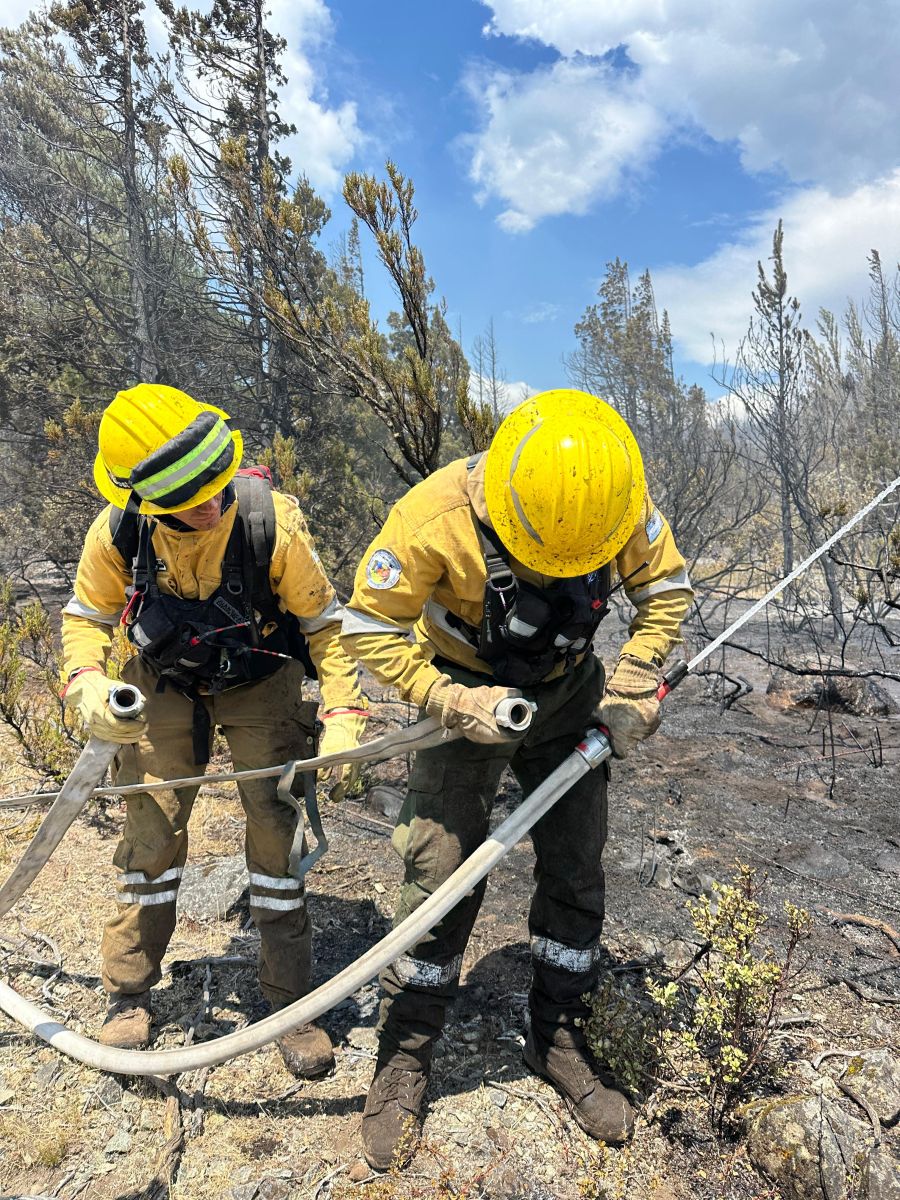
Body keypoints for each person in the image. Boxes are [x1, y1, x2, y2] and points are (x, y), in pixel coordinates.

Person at [340, 389, 693, 1168]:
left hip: (569, 692)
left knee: (575, 859)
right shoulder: (432, 519)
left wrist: (636, 678)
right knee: (439, 871)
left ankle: (557, 1035)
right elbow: (367, 626)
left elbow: (665, 591)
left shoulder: (609, 497)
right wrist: (448, 698)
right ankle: (405, 1055)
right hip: (466, 694)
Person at [60, 383, 367, 1076]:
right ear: (143, 501)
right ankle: (128, 992)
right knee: (153, 829)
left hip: (260, 679)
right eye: (188, 503)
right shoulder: (119, 532)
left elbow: (326, 630)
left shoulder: (271, 525)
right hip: (162, 679)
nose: (210, 508)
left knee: (273, 829)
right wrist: (88, 685)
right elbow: (85, 618)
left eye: (217, 488)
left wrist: (346, 717)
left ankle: (290, 1003)